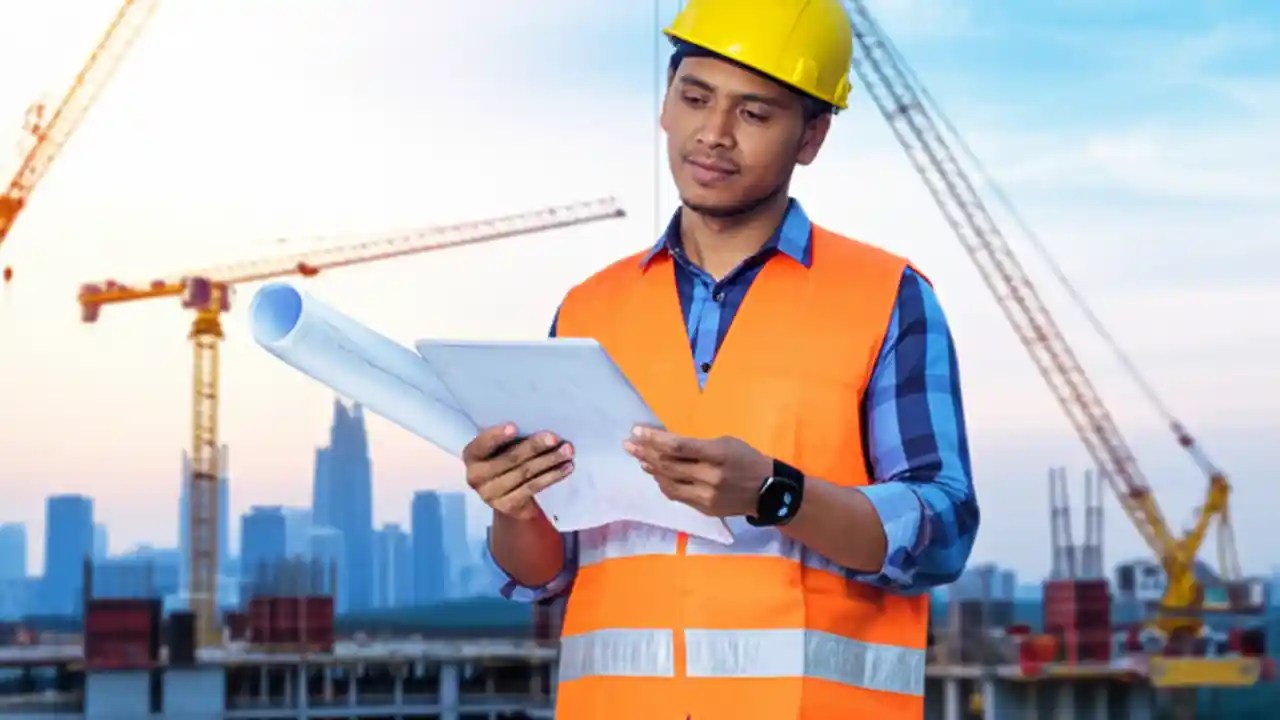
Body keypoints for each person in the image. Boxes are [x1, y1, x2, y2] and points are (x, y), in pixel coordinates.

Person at [462, 0, 980, 717]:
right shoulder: (588, 311)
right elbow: (546, 574)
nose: (713, 134)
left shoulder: (887, 297)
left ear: (812, 137)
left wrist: (777, 492)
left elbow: (943, 530)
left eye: (755, 114)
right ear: (666, 103)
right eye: (695, 97)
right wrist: (512, 506)